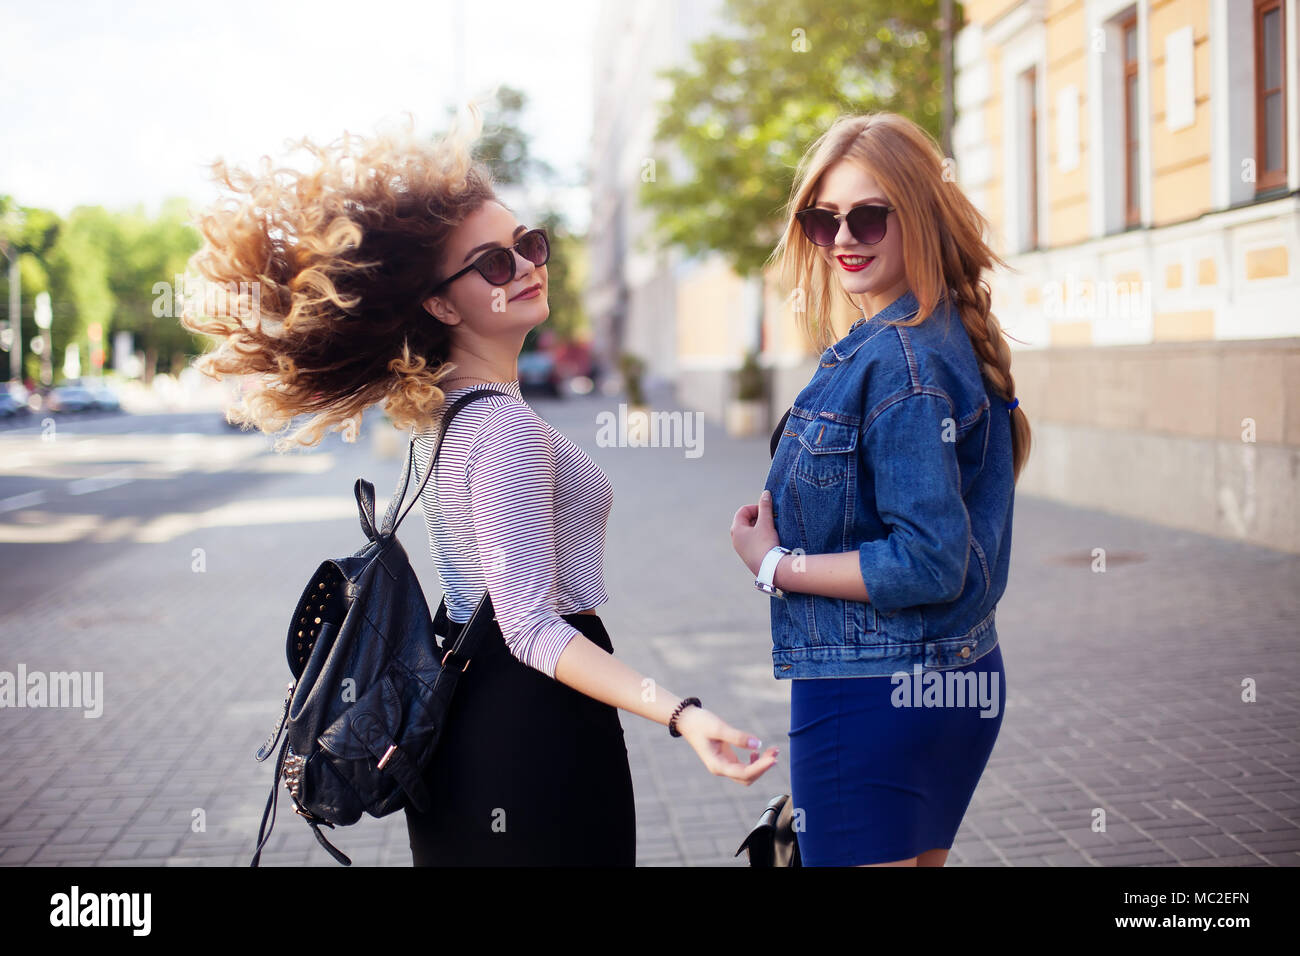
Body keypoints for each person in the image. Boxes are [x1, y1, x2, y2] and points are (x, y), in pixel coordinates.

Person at [182, 107, 778, 867]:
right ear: (439, 303)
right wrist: (685, 715)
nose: (528, 266)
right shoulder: (501, 429)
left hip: (475, 717)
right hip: (534, 726)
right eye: (494, 263)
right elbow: (531, 627)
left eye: (529, 245)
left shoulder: (443, 414)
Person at [730, 111, 1033, 867]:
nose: (843, 239)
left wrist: (773, 564)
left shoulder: (900, 358)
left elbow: (929, 562)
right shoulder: (933, 337)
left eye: (868, 216)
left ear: (920, 216)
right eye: (820, 219)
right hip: (955, 680)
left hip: (871, 693)